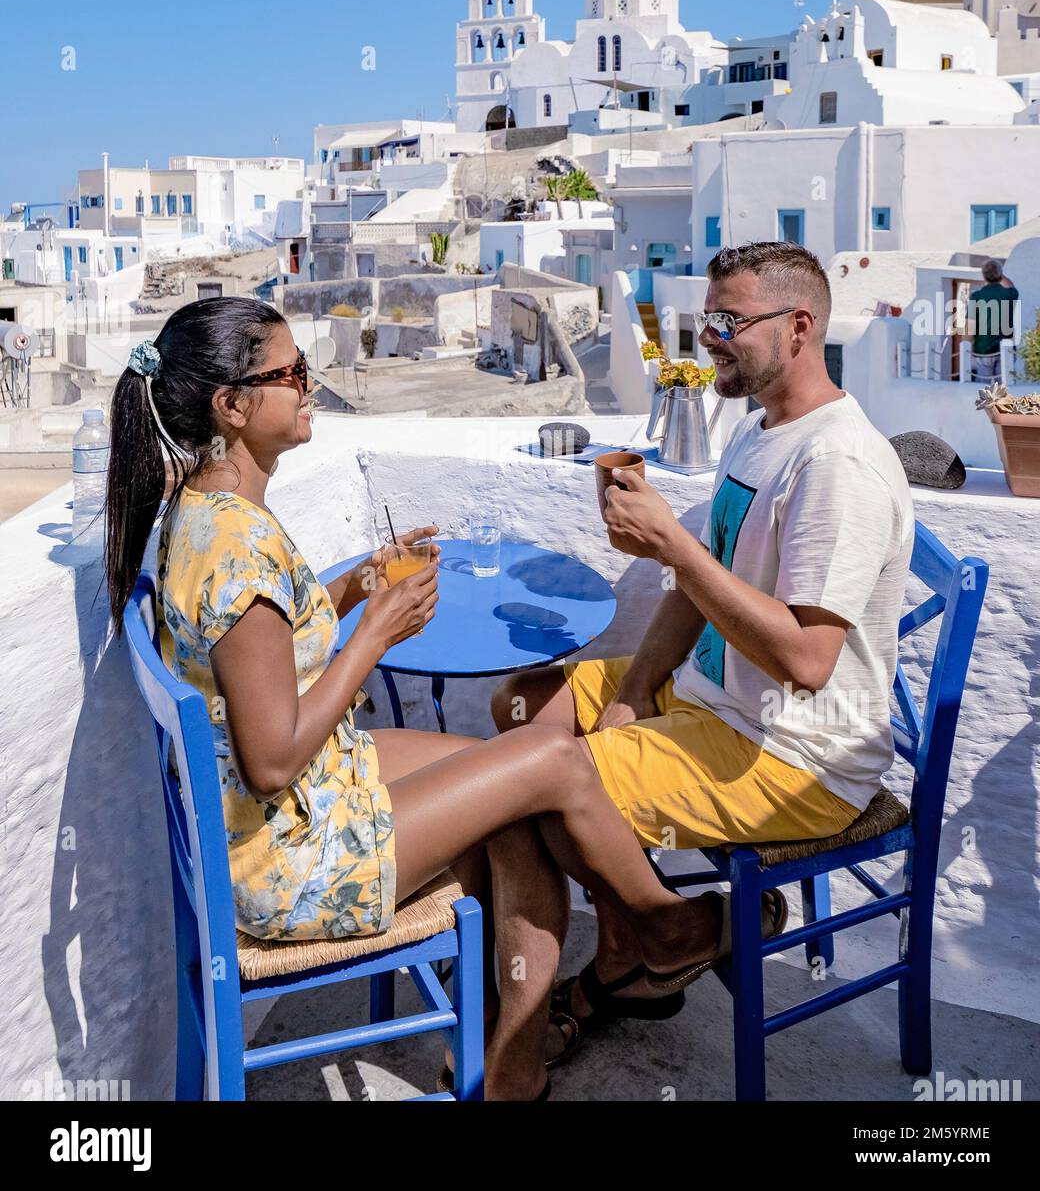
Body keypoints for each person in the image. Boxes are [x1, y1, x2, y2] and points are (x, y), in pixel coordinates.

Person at [104, 296, 746, 1101]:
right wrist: (375, 635)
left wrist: (358, 584)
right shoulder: (237, 549)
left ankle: (506, 1038)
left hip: (283, 812)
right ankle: (658, 933)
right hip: (290, 854)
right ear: (230, 406)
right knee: (548, 759)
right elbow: (271, 760)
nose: (310, 386)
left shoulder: (205, 513)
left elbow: (268, 644)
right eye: (292, 373)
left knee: (508, 787)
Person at [494, 241, 915, 1060]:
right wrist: (636, 686)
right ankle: (650, 938)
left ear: (800, 327)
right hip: (714, 701)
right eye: (705, 319)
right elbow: (698, 588)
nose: (709, 338)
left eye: (729, 322)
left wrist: (673, 551)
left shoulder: (838, 464)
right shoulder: (764, 431)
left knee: (539, 793)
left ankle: (658, 938)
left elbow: (807, 662)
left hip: (797, 753)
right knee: (519, 703)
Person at [966, 258, 1018, 382]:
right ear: (1000, 274)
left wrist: (967, 345)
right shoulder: (1009, 294)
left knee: (983, 390)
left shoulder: (976, 297)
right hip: (1005, 350)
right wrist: (998, 274)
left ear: (984, 276)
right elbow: (1010, 285)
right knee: (1004, 388)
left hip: (983, 350)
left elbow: (970, 327)